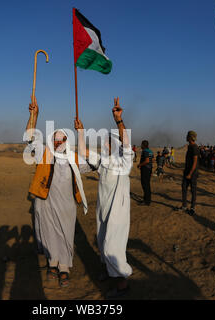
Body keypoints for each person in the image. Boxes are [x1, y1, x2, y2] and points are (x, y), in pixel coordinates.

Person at [26, 96, 92, 288]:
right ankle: (52, 264)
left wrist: (81, 133)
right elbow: (30, 138)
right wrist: (34, 115)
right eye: (55, 140)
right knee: (49, 233)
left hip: (67, 205)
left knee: (66, 233)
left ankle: (64, 267)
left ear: (66, 141)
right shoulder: (44, 153)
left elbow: (91, 163)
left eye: (61, 139)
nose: (58, 142)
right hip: (46, 202)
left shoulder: (74, 158)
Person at [77, 97, 133, 298]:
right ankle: (109, 273)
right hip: (104, 207)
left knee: (112, 244)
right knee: (102, 240)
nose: (106, 144)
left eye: (110, 141)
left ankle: (122, 286)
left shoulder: (124, 161)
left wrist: (118, 120)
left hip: (118, 209)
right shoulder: (103, 161)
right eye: (106, 141)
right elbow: (83, 152)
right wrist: (81, 132)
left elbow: (127, 143)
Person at [176, 131, 199, 215]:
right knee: (184, 188)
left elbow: (195, 162)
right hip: (187, 171)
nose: (186, 137)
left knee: (193, 190)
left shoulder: (195, 147)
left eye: (187, 136)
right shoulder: (189, 147)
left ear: (190, 137)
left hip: (192, 173)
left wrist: (190, 173)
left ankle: (192, 208)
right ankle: (184, 206)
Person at [137, 140, 154, 206]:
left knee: (145, 185)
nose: (141, 146)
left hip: (145, 170)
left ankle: (146, 201)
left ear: (143, 145)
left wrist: (140, 165)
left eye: (141, 144)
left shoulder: (145, 151)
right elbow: (152, 160)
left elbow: (147, 160)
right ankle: (147, 200)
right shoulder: (151, 151)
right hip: (149, 169)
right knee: (147, 185)